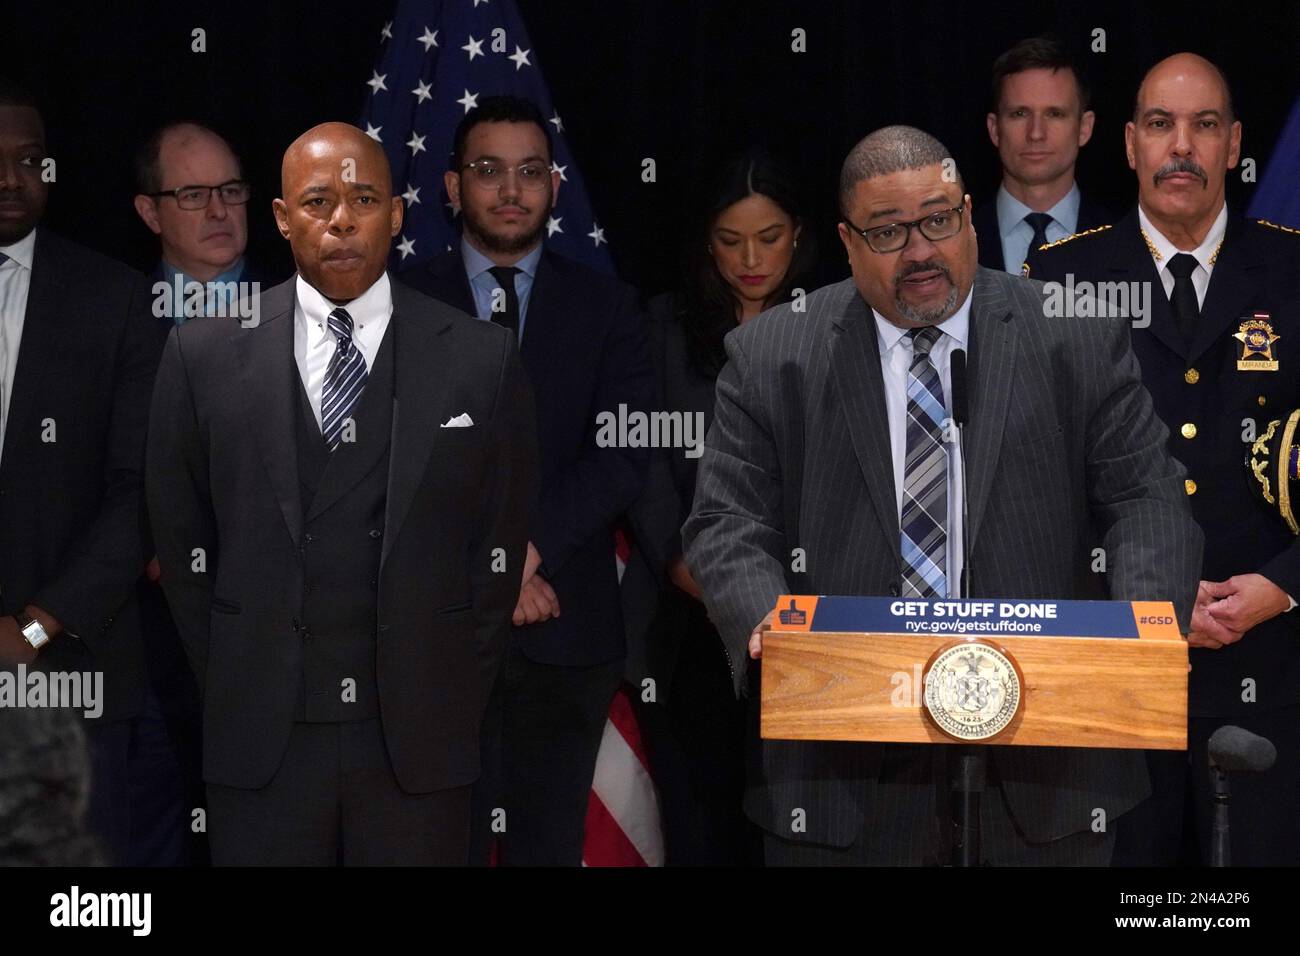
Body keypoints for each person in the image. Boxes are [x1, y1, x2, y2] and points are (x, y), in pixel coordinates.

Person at [682, 124, 1203, 866]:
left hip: (1044, 770)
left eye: (938, 219)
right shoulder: (774, 356)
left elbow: (1146, 497)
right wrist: (771, 624)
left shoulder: (1073, 336)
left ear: (967, 212)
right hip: (842, 766)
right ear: (847, 240)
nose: (921, 248)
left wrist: (1142, 630)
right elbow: (727, 520)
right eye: (889, 230)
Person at [146, 121, 538, 865]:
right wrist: (241, 668)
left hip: (416, 744)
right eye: (319, 200)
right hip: (261, 740)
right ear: (282, 217)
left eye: (364, 198)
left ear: (396, 214)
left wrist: (444, 684)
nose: (342, 220)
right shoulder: (199, 353)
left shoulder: (482, 359)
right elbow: (181, 541)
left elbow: (496, 547)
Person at [1029, 53, 1300, 866]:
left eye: (1204, 125)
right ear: (1128, 143)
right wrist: (1144, 597)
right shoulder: (1058, 278)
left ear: (1234, 143)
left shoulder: (1294, 270)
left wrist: (1286, 585)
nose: (1181, 146)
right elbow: (1033, 483)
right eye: (1160, 125)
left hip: (1273, 665)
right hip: (1114, 665)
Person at [402, 95, 654, 866]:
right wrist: (492, 566)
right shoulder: (399, 302)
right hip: (432, 629)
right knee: (439, 844)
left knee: (547, 844)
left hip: (565, 624)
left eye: (529, 172)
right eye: (488, 172)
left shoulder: (608, 306)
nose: (510, 190)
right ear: (451, 188)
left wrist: (526, 552)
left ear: (553, 186)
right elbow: (397, 459)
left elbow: (621, 450)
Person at [624, 149, 816, 864]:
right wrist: (687, 568)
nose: (751, 258)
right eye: (731, 241)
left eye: (768, 238)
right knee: (701, 826)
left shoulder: (836, 321)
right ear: (707, 242)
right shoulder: (661, 330)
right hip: (687, 622)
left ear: (798, 234)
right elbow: (640, 465)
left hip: (804, 621)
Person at [0, 80, 160, 865]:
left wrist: (34, 625)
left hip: (73, 670)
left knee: (87, 906)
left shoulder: (117, 298)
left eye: (31, 161)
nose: (11, 179)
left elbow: (141, 493)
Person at [973, 36, 1109, 274]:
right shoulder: (952, 242)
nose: (1036, 133)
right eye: (1019, 114)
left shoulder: (1131, 240)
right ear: (994, 129)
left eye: (1055, 114)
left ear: (1085, 128)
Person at [132, 121, 270, 325]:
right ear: (151, 214)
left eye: (230, 191)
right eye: (194, 195)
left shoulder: (297, 311)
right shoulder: (119, 316)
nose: (219, 211)